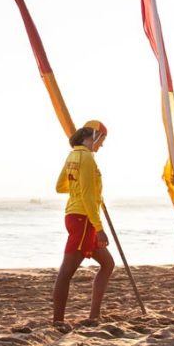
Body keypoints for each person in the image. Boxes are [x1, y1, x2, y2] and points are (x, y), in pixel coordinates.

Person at [52, 120, 115, 331]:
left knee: (107, 264)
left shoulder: (72, 155)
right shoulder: (87, 158)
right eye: (102, 140)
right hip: (83, 219)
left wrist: (84, 189)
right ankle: (58, 321)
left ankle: (94, 316)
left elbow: (60, 186)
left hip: (76, 215)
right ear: (95, 136)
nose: (102, 145)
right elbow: (87, 196)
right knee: (66, 271)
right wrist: (100, 228)